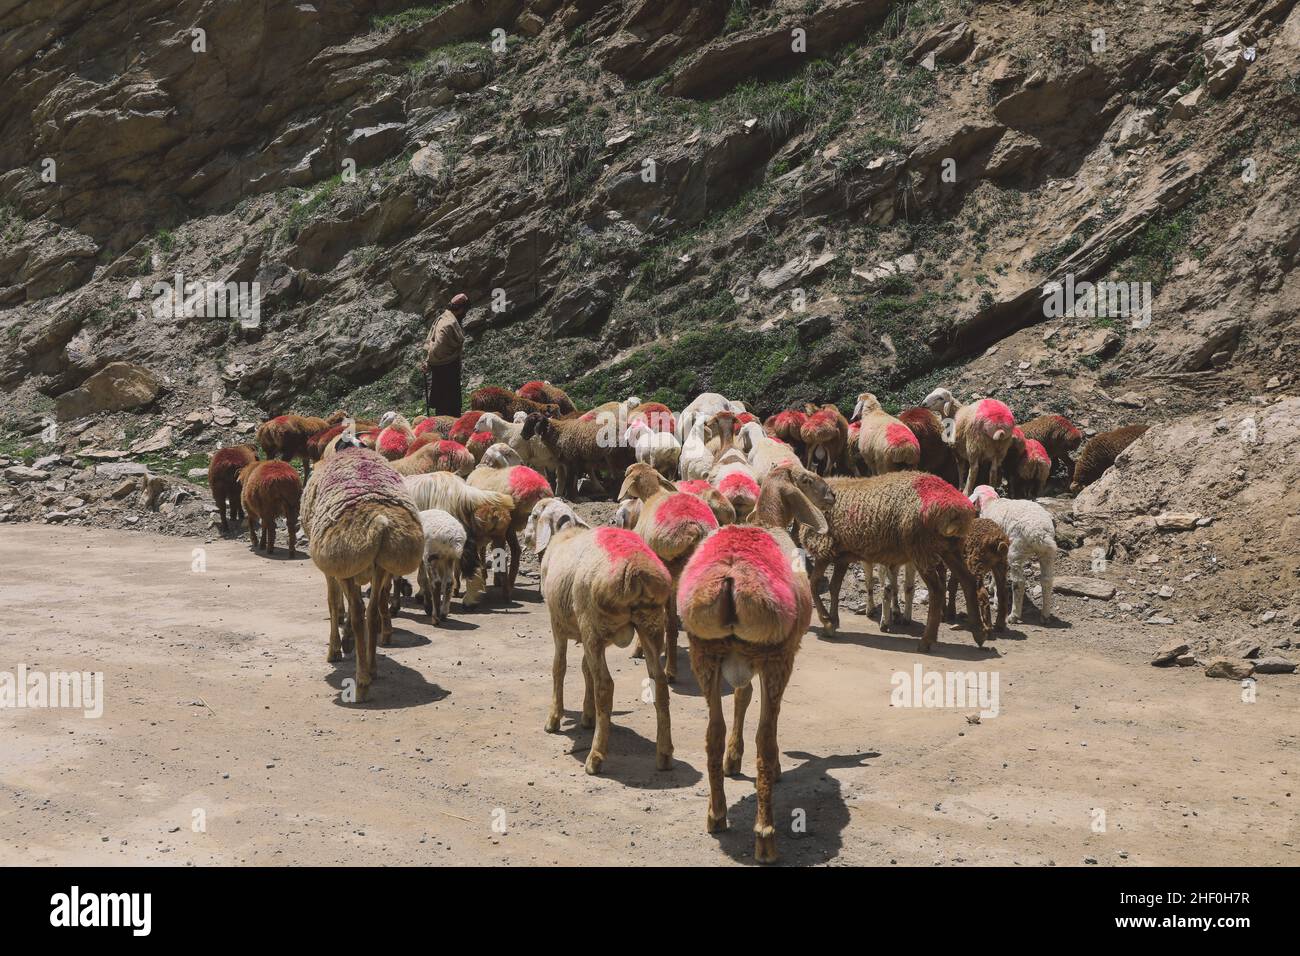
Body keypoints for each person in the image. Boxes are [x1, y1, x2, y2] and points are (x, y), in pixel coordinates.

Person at [422, 293, 468, 416]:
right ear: (461, 309)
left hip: (447, 370)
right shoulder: (447, 324)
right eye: (464, 310)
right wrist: (430, 361)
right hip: (445, 372)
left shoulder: (447, 318)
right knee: (447, 407)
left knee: (448, 405)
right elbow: (437, 347)